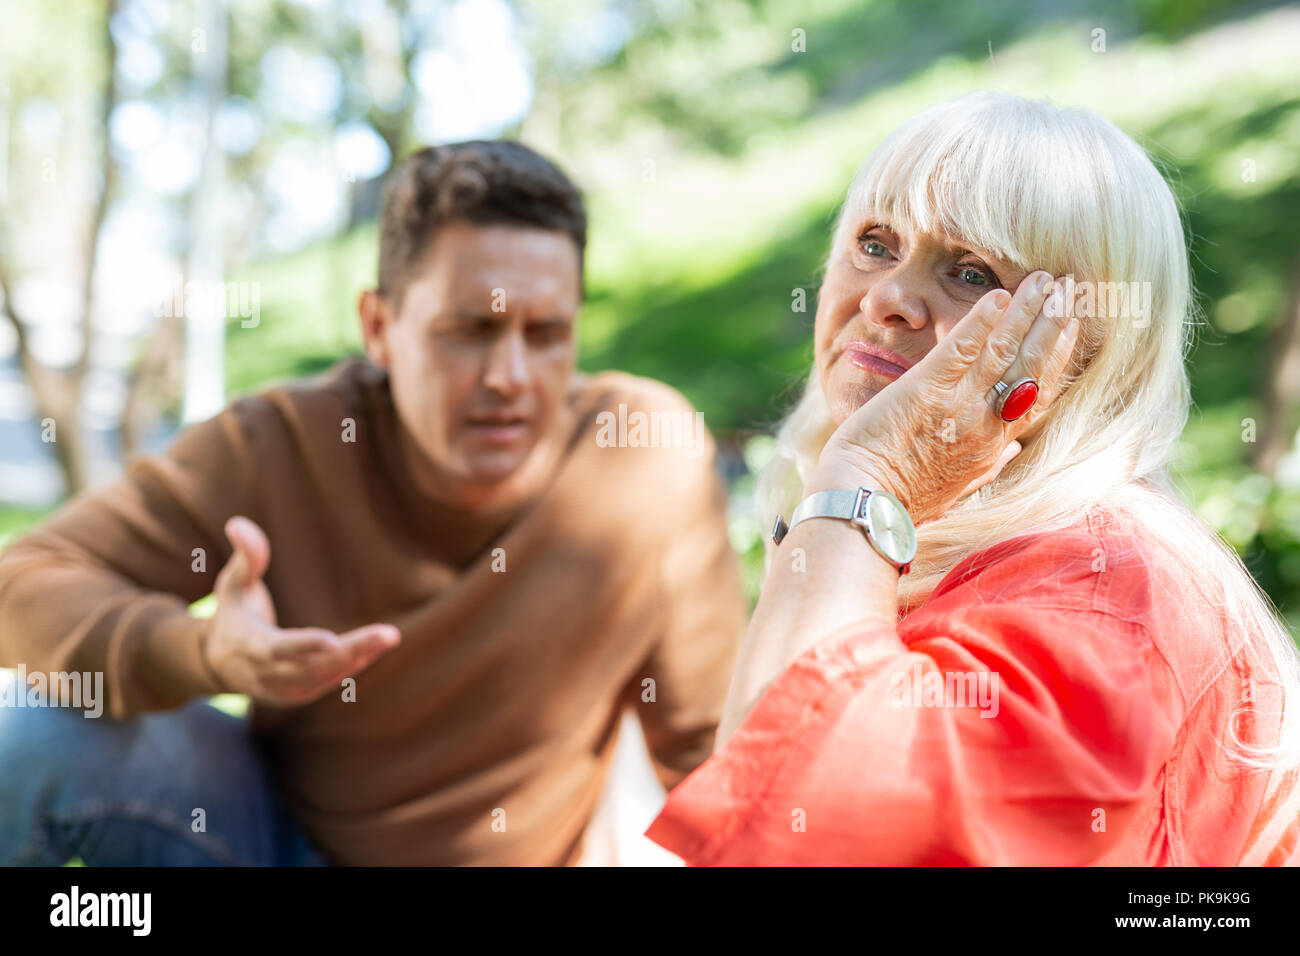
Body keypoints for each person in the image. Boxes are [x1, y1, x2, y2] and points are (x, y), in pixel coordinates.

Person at [0, 140, 746, 866]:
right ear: (380, 328)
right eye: (471, 330)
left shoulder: (644, 454)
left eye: (547, 333)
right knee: (31, 737)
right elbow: (23, 581)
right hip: (279, 837)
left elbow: (712, 754)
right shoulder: (281, 441)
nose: (510, 375)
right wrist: (200, 654)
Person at [646, 91, 1300, 865]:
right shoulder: (957, 545)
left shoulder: (1106, 591)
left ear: (1082, 352)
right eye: (875, 242)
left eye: (969, 271)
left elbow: (802, 836)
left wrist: (866, 481)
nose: (887, 297)